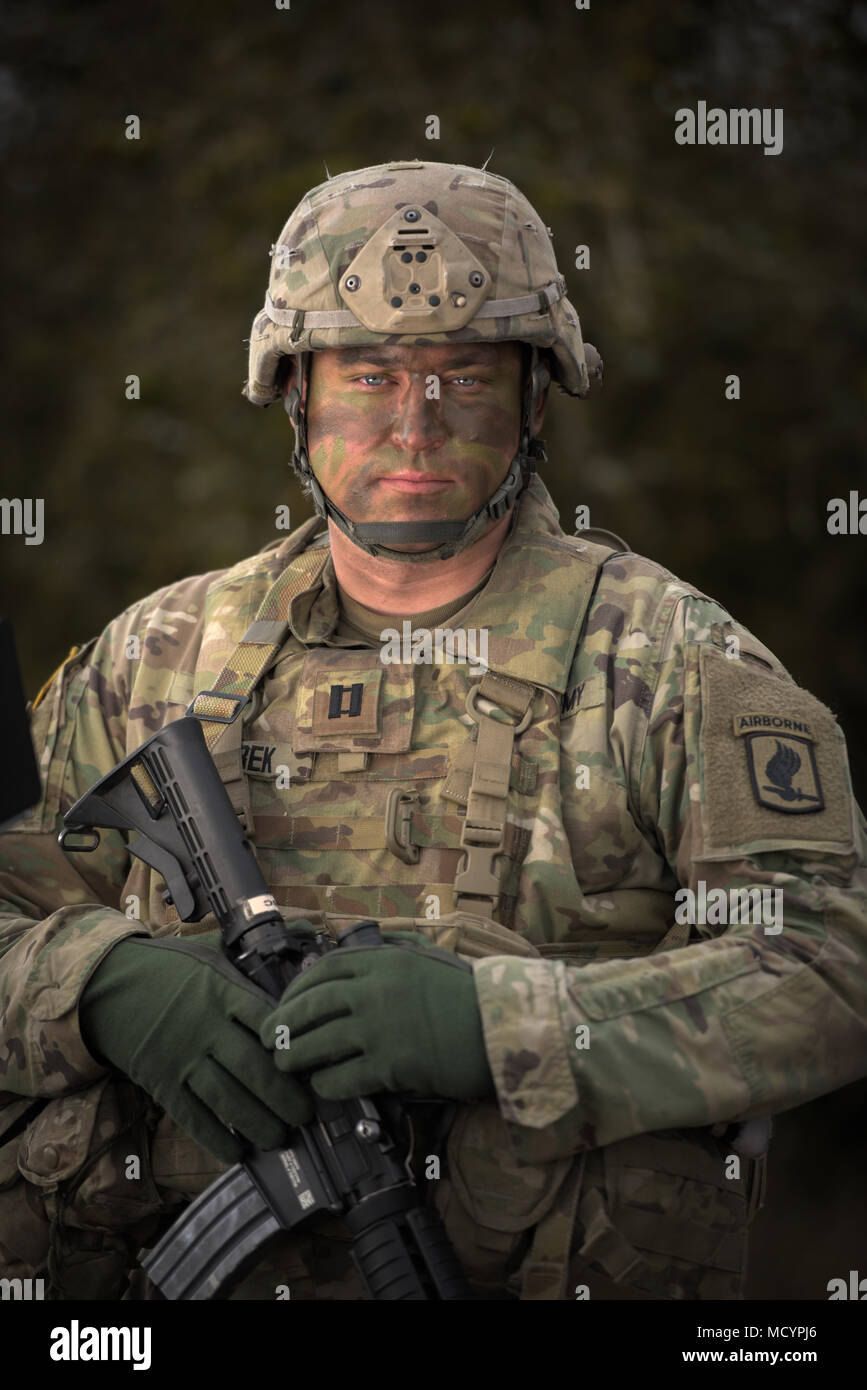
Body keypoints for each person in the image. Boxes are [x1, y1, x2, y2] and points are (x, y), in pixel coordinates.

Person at [1, 159, 865, 1302]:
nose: (416, 423)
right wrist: (96, 985)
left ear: (536, 401)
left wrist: (504, 1025)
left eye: (465, 375)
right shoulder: (157, 653)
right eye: (370, 374)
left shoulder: (676, 659)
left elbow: (829, 967)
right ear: (299, 394)